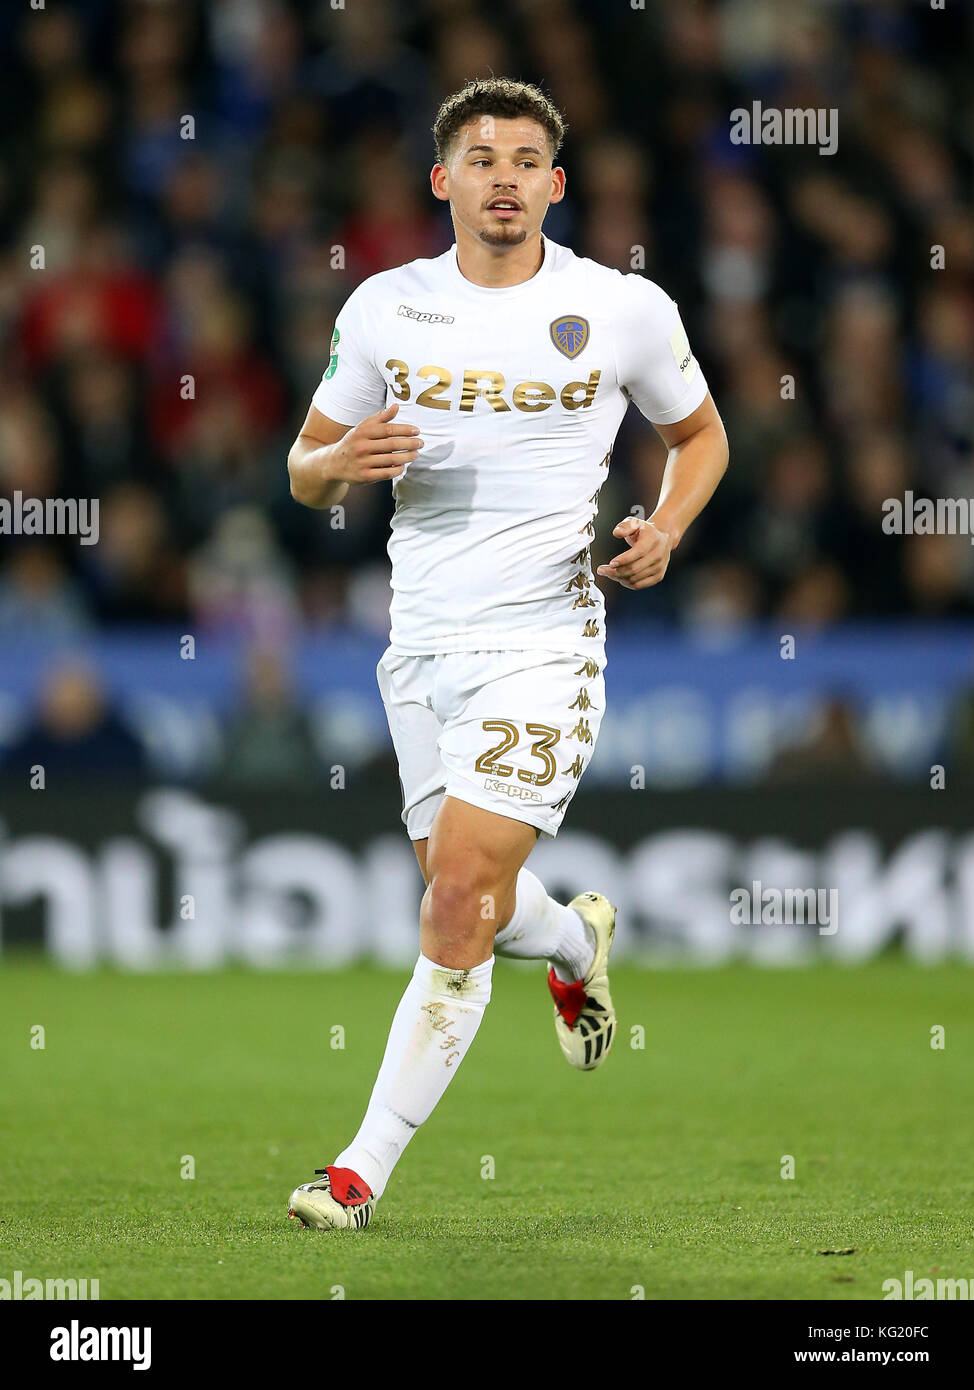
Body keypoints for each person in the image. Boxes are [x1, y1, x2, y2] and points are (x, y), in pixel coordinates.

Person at [285, 78, 729, 1230]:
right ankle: (574, 937)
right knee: (466, 896)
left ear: (555, 184)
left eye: (527, 160)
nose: (504, 178)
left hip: (543, 635)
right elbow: (301, 463)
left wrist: (665, 529)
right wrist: (340, 463)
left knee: (456, 896)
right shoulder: (387, 309)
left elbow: (699, 434)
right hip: (420, 641)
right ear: (443, 180)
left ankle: (356, 1171)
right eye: (481, 158)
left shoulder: (621, 307)